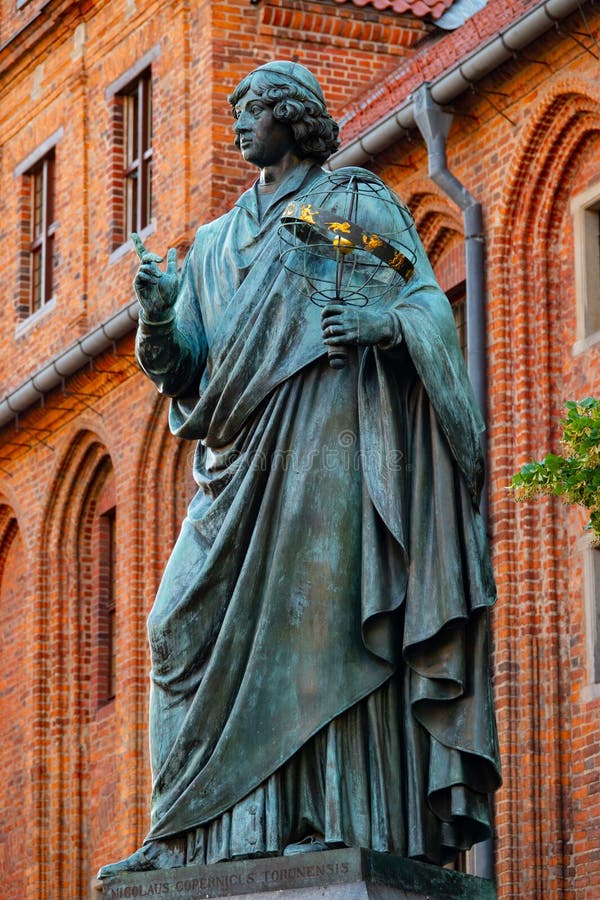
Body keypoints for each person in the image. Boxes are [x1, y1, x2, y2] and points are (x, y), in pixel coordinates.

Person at [98, 60, 500, 878]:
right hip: (235, 462)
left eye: (254, 108)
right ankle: (186, 832)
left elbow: (422, 300)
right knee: (173, 627)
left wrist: (385, 325)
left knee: (321, 625)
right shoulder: (212, 245)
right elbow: (186, 372)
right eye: (236, 110)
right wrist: (157, 317)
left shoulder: (353, 205)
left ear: (294, 116)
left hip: (328, 443)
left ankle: (330, 818)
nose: (239, 123)